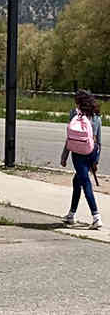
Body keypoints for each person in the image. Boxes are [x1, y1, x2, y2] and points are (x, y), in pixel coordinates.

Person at [60, 89, 102, 229]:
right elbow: (99, 141)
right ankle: (71, 214)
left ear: (78, 101)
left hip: (78, 153)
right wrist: (96, 161)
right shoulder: (97, 117)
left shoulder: (74, 114)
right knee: (77, 180)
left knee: (85, 183)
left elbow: (70, 137)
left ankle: (96, 216)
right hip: (92, 151)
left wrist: (64, 156)